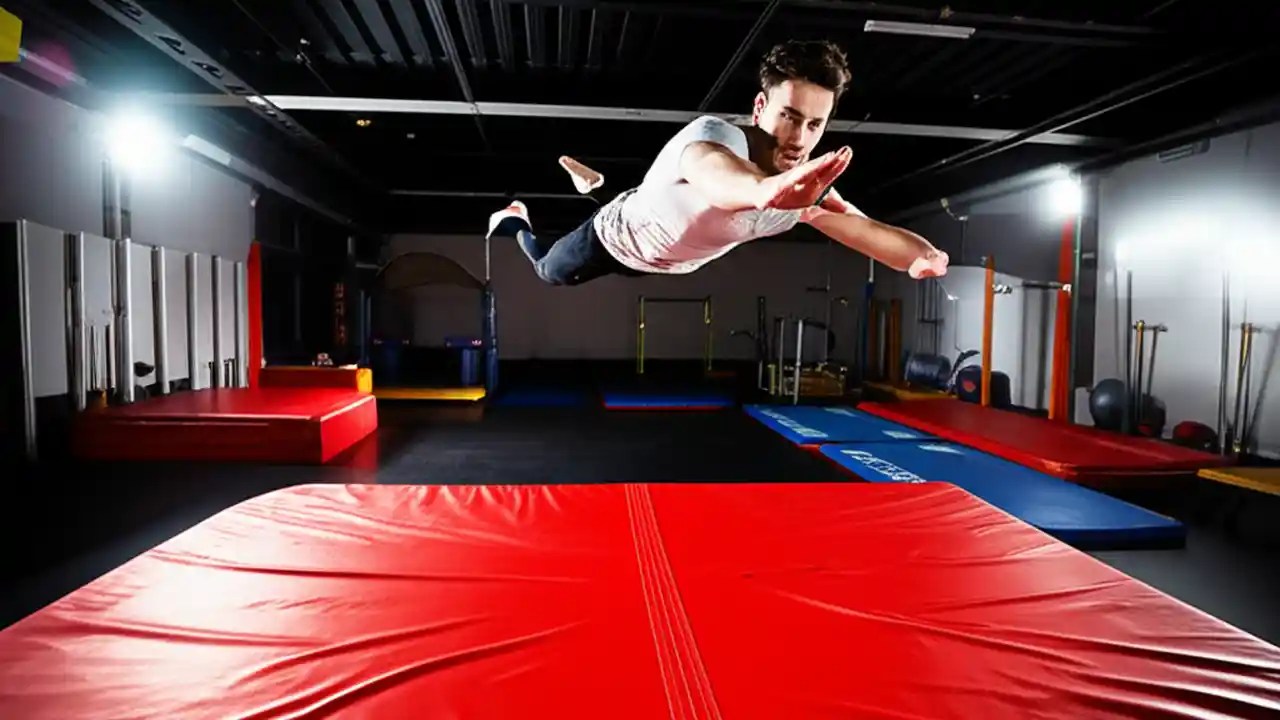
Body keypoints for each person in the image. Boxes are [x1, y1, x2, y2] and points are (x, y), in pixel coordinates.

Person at [486, 39, 949, 286]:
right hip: (615, 239)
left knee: (657, 201)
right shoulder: (714, 137)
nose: (798, 138)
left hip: (670, 255)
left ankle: (598, 184)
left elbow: (867, 231)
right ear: (759, 108)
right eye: (788, 116)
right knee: (548, 271)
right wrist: (768, 192)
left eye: (814, 124)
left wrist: (922, 257)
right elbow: (717, 176)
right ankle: (516, 220)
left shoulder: (806, 187)